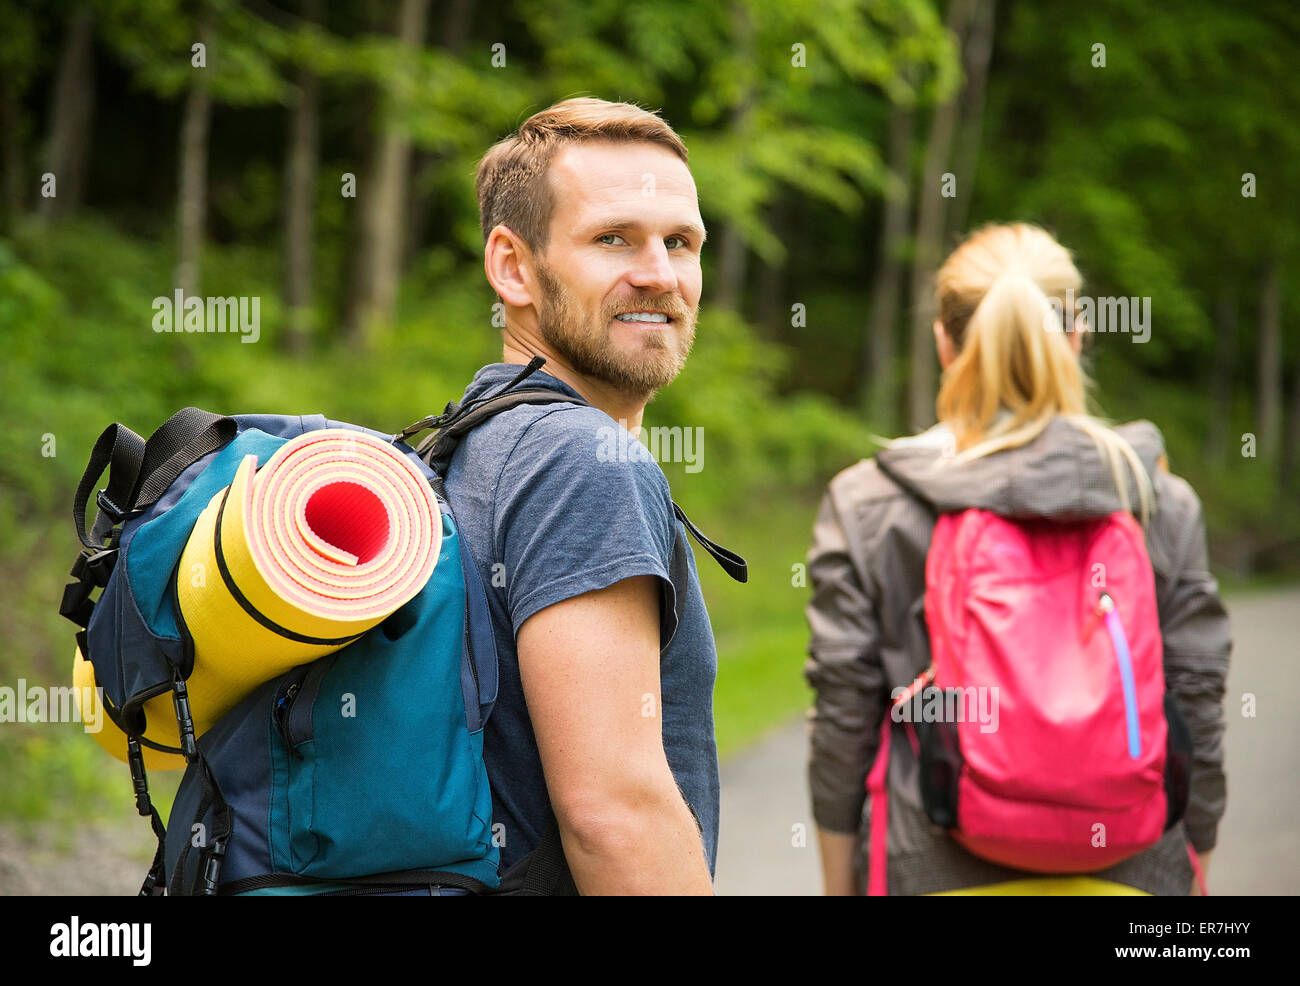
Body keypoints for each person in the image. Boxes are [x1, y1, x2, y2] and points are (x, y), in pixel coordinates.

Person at [805, 222, 1231, 895]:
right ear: (1078, 334)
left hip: (933, 868)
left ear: (944, 343)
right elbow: (1197, 702)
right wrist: (1194, 863)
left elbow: (843, 718)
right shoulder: (1157, 500)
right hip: (1136, 869)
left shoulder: (868, 503)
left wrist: (839, 881)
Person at [441, 97, 723, 894]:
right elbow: (614, 814)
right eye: (613, 239)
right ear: (513, 267)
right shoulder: (584, 461)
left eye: (680, 242)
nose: (660, 275)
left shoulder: (477, 438)